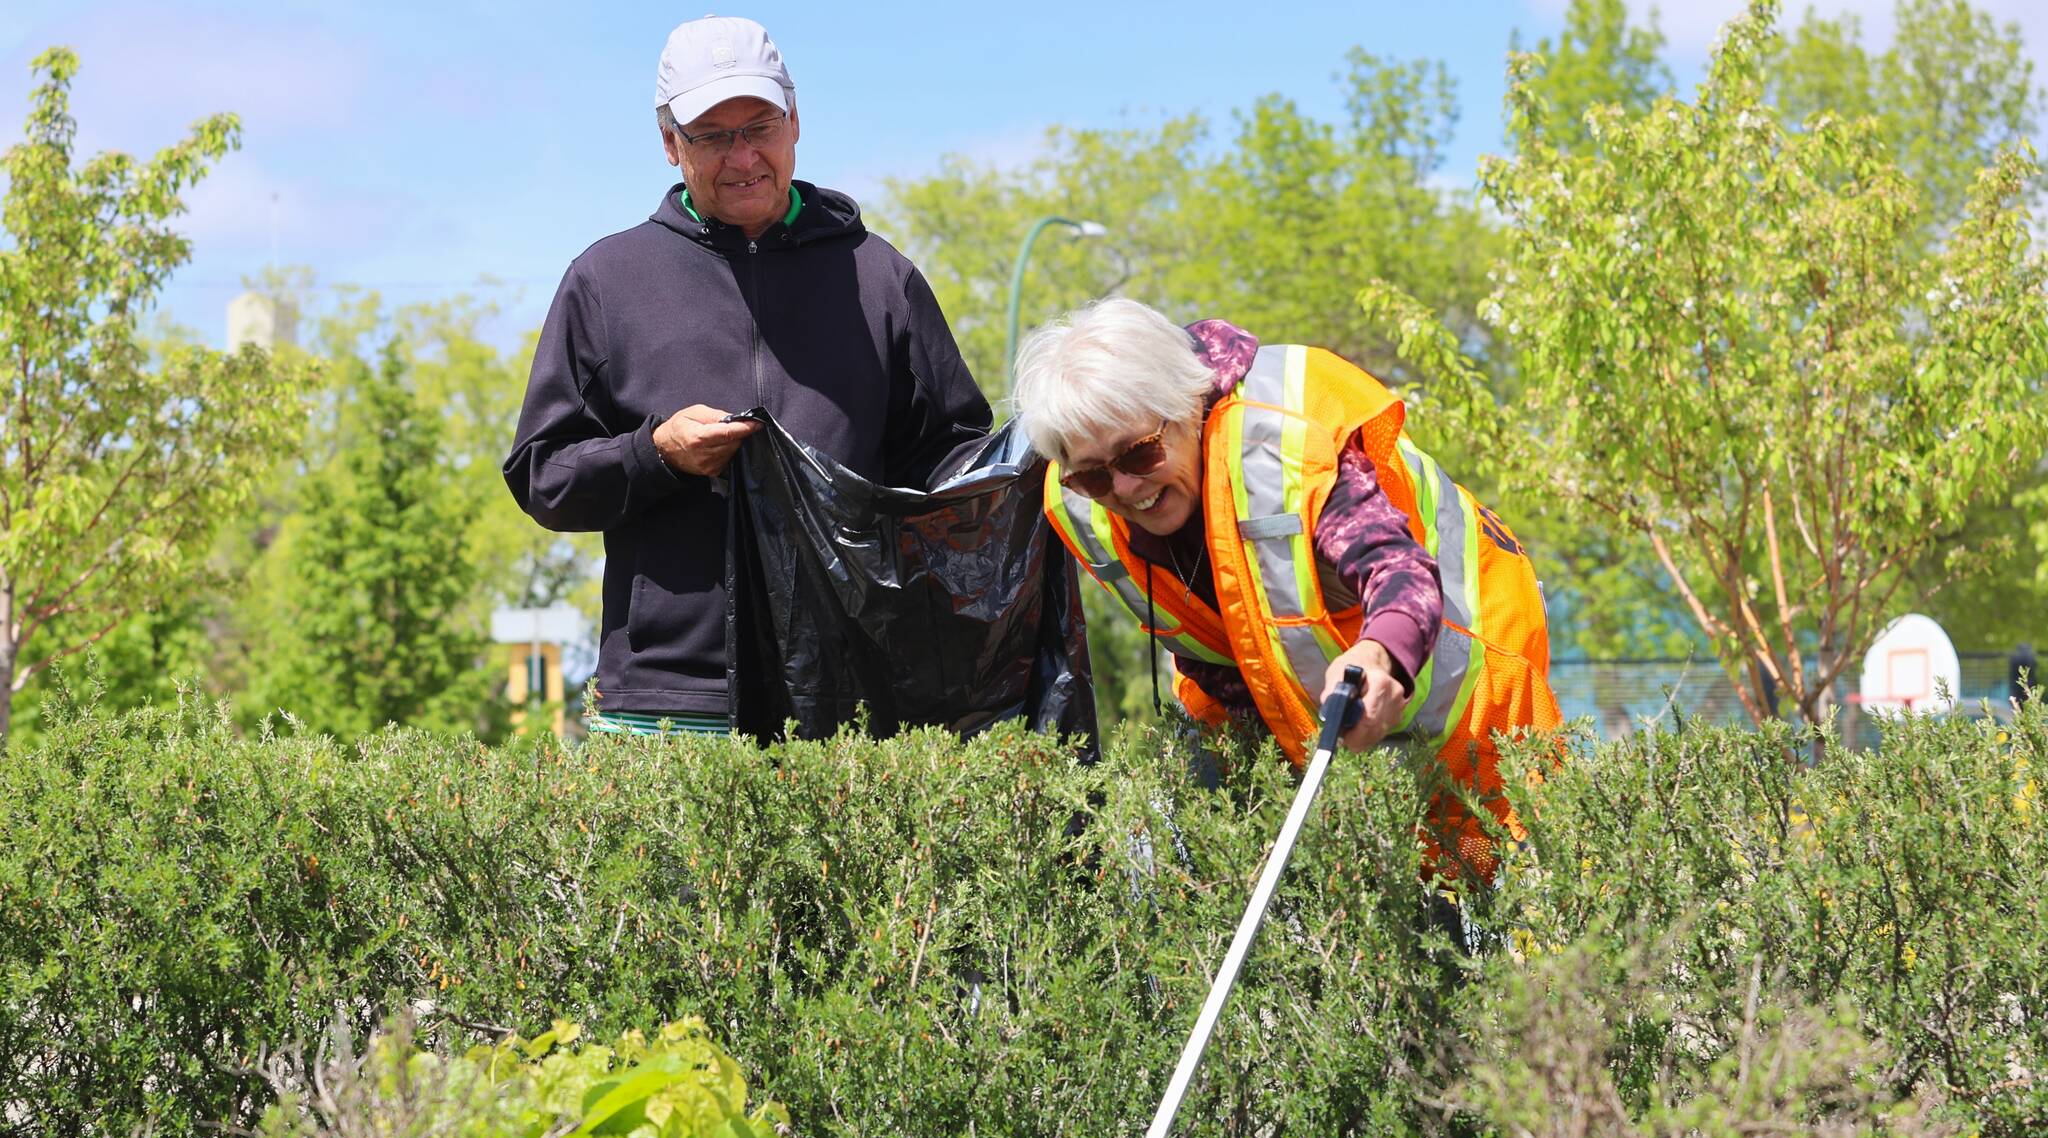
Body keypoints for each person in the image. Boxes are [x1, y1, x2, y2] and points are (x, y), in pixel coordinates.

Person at [503, 15, 991, 737]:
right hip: (664, 706)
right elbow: (543, 476)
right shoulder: (607, 281)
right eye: (712, 136)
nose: (743, 157)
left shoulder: (880, 278)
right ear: (670, 144)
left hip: (851, 699)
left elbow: (954, 459)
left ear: (795, 121)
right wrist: (655, 454)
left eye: (759, 125)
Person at [1012, 298, 1560, 871]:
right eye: (1095, 474)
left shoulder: (1282, 446)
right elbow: (1206, 642)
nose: (1125, 488)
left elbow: (1401, 574)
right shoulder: (1086, 508)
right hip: (1323, 735)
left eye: (1141, 453)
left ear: (1188, 407)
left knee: (1494, 896)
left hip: (1470, 684)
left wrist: (1376, 658)